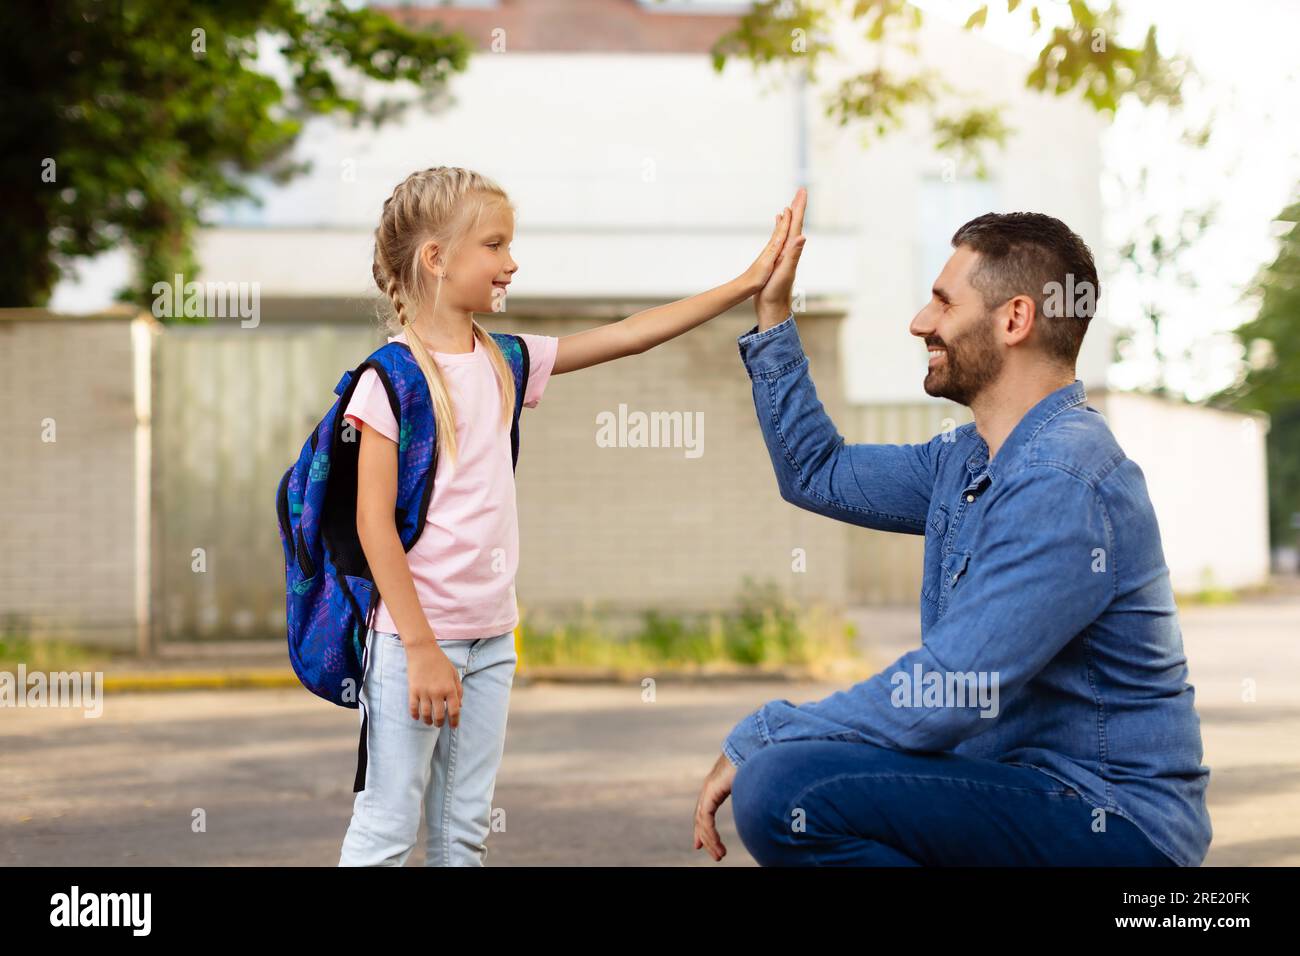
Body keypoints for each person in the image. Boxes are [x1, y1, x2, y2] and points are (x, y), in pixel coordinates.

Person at [692, 188, 1212, 867]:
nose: (918, 322)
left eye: (943, 301)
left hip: (1109, 821)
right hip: (1019, 794)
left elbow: (949, 691)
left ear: (1015, 319)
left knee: (784, 788)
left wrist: (768, 731)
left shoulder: (1066, 477)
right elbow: (815, 471)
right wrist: (773, 316)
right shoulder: (966, 458)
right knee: (787, 784)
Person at [339, 165, 798, 865]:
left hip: (492, 638)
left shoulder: (507, 363)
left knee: (461, 834)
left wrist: (745, 284)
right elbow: (373, 525)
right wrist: (424, 647)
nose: (510, 262)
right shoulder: (390, 380)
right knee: (387, 831)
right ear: (436, 258)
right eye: (493, 246)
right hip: (411, 645)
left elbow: (632, 335)